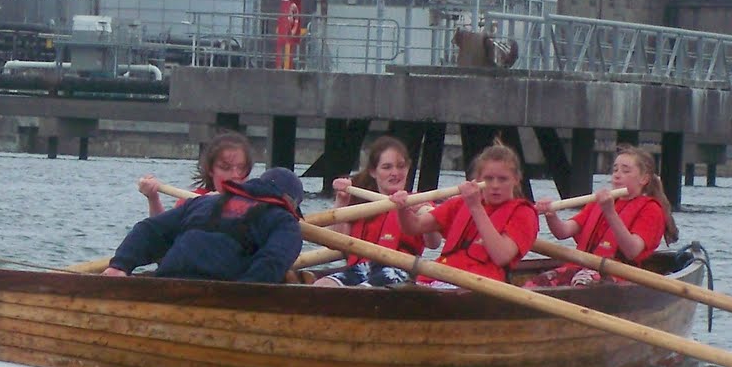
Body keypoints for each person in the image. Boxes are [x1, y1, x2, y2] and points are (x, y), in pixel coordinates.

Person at [103, 167, 305, 283]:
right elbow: (272, 262)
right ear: (292, 204)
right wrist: (242, 297)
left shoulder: (202, 202)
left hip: (168, 282)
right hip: (221, 292)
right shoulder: (285, 222)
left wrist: (120, 265)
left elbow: (149, 229)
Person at [529, 146, 679, 288]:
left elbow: (632, 250)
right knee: (534, 285)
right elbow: (562, 232)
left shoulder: (651, 209)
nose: (617, 174)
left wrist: (610, 213)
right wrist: (551, 215)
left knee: (582, 282)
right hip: (581, 267)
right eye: (615, 169)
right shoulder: (598, 203)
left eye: (626, 171)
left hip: (619, 275)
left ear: (644, 179)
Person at [392, 143, 539, 286]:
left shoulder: (524, 213)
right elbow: (413, 227)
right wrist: (402, 209)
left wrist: (476, 208)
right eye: (488, 178)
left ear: (516, 179)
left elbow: (501, 256)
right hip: (439, 278)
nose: (495, 186)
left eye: (503, 179)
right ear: (478, 180)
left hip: (480, 286)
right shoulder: (460, 203)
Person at [313, 136, 440, 287]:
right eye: (387, 167)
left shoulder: (418, 203)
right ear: (373, 172)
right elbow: (337, 243)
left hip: (398, 271)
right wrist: (342, 201)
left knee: (365, 290)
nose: (395, 172)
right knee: (323, 284)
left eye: (401, 166)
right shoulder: (360, 204)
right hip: (359, 269)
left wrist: (423, 216)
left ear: (408, 168)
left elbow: (434, 244)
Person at [136, 128, 254, 216]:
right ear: (211, 170)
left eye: (241, 167)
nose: (235, 175)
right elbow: (163, 238)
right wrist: (153, 199)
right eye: (225, 167)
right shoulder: (191, 204)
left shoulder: (260, 205)